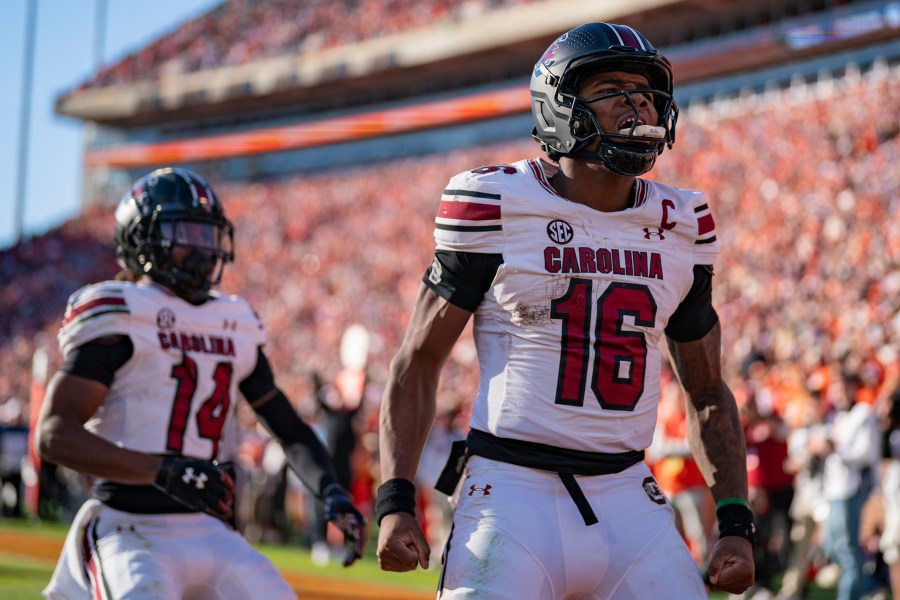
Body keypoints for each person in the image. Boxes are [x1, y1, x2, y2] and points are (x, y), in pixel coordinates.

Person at [375, 22, 755, 598]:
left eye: (645, 90)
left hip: (629, 493)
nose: (638, 105)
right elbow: (420, 358)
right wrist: (396, 499)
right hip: (509, 491)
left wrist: (735, 521)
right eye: (613, 90)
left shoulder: (682, 222)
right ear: (561, 106)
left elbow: (705, 391)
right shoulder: (496, 203)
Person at [35, 167, 365, 600]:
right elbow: (54, 435)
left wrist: (331, 491)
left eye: (209, 236)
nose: (203, 250)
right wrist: (160, 469)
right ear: (142, 241)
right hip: (127, 523)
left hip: (206, 526)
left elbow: (287, 426)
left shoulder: (232, 321)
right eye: (186, 233)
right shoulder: (123, 312)